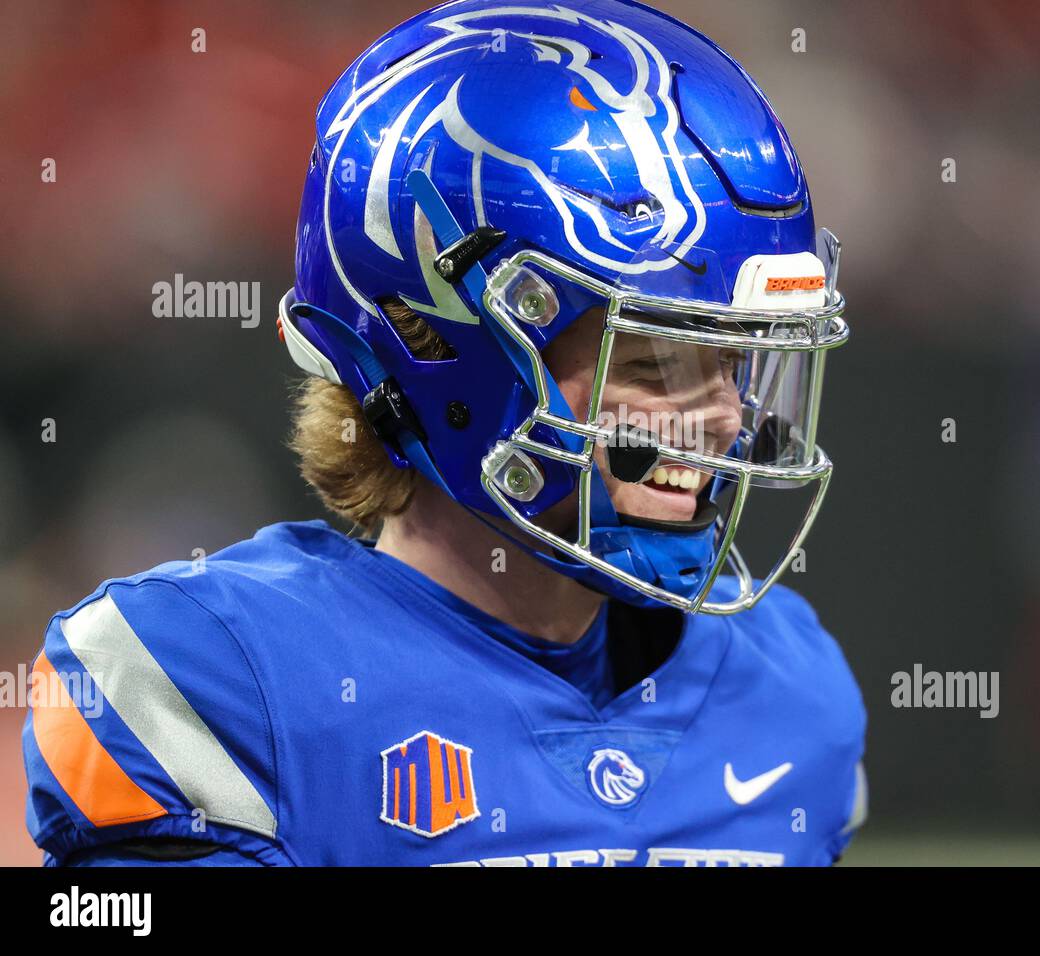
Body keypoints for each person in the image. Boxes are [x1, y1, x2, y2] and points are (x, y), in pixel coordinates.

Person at [23, 0, 866, 866]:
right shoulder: (222, 683)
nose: (726, 417)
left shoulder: (788, 697)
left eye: (733, 365)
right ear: (446, 349)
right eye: (656, 360)